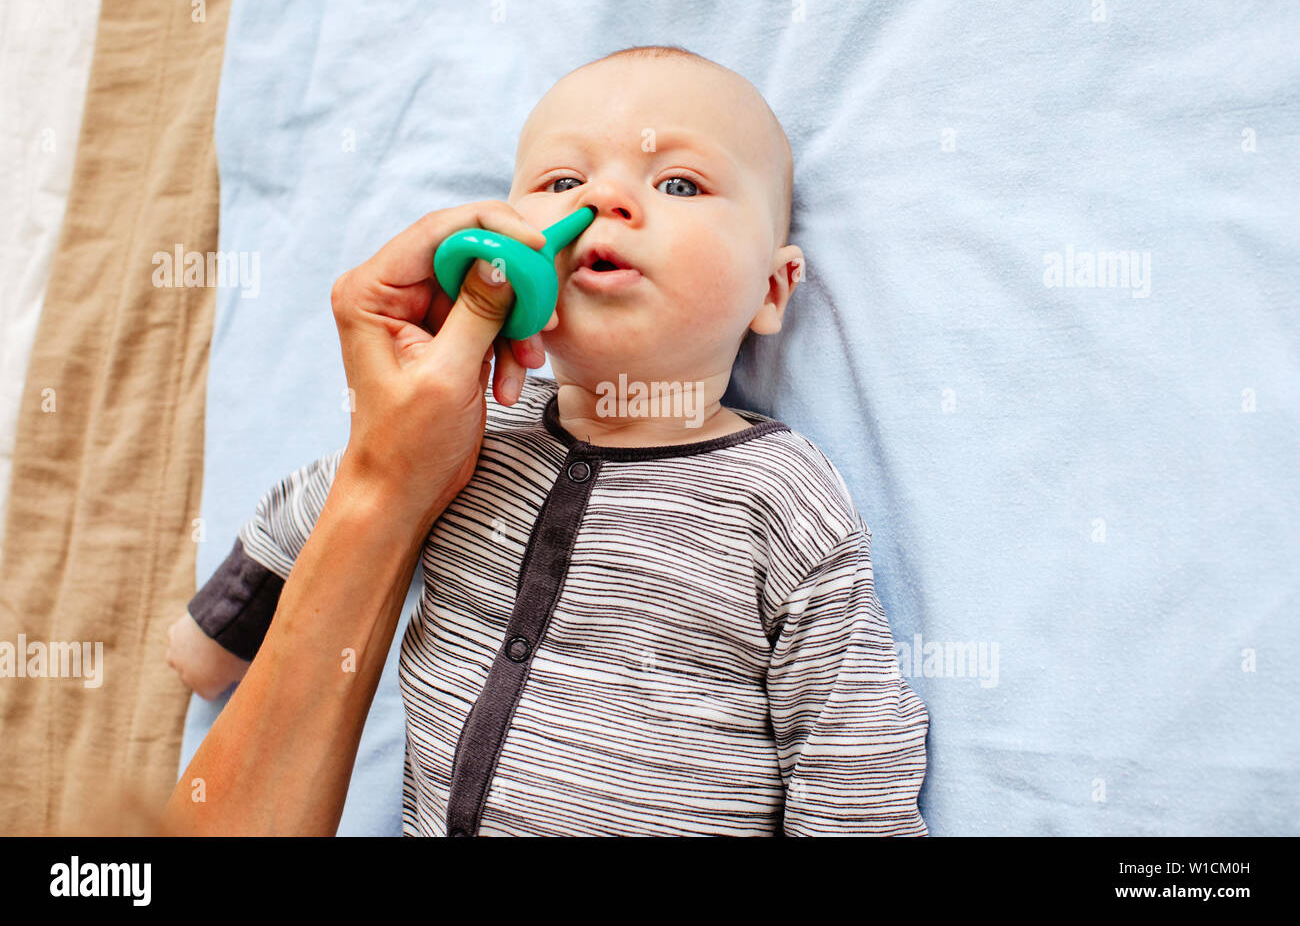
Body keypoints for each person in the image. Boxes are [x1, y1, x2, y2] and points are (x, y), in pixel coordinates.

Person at [163, 45, 930, 836]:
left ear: (770, 289)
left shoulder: (781, 498)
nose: (605, 197)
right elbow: (329, 503)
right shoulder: (464, 424)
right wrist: (222, 627)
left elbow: (850, 748)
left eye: (678, 183)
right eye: (563, 183)